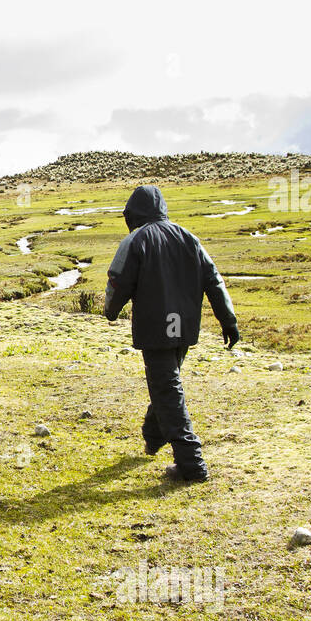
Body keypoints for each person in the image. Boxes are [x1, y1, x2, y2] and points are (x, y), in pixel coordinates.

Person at [103, 185, 239, 482]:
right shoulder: (188, 237)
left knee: (167, 389)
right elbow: (213, 280)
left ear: (133, 213)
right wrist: (228, 320)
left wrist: (111, 310)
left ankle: (192, 465)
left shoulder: (136, 239)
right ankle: (153, 436)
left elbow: (118, 280)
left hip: (156, 327)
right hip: (182, 326)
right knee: (167, 382)